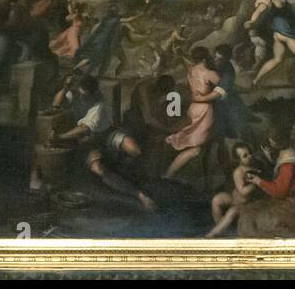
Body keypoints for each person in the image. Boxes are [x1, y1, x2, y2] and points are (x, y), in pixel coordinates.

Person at [53, 74, 156, 211]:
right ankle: (139, 195)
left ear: (94, 92)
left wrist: (60, 137)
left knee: (135, 150)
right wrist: (65, 88)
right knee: (99, 169)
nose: (85, 98)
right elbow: (55, 105)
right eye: (83, 94)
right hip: (89, 142)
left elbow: (84, 128)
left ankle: (124, 173)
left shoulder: (98, 103)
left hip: (106, 134)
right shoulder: (76, 94)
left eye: (88, 95)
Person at [163, 47, 223, 182]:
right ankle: (168, 175)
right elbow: (225, 87)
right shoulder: (209, 73)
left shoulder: (191, 70)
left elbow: (187, 62)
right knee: (197, 148)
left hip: (194, 108)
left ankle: (205, 180)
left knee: (201, 144)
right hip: (205, 111)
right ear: (204, 58)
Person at [205, 143, 257, 238]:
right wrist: (255, 183)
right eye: (245, 156)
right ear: (238, 160)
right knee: (217, 199)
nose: (250, 156)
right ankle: (220, 226)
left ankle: (214, 233)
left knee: (232, 211)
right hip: (235, 198)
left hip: (246, 203)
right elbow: (242, 191)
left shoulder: (257, 167)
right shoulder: (238, 171)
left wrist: (257, 182)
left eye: (250, 153)